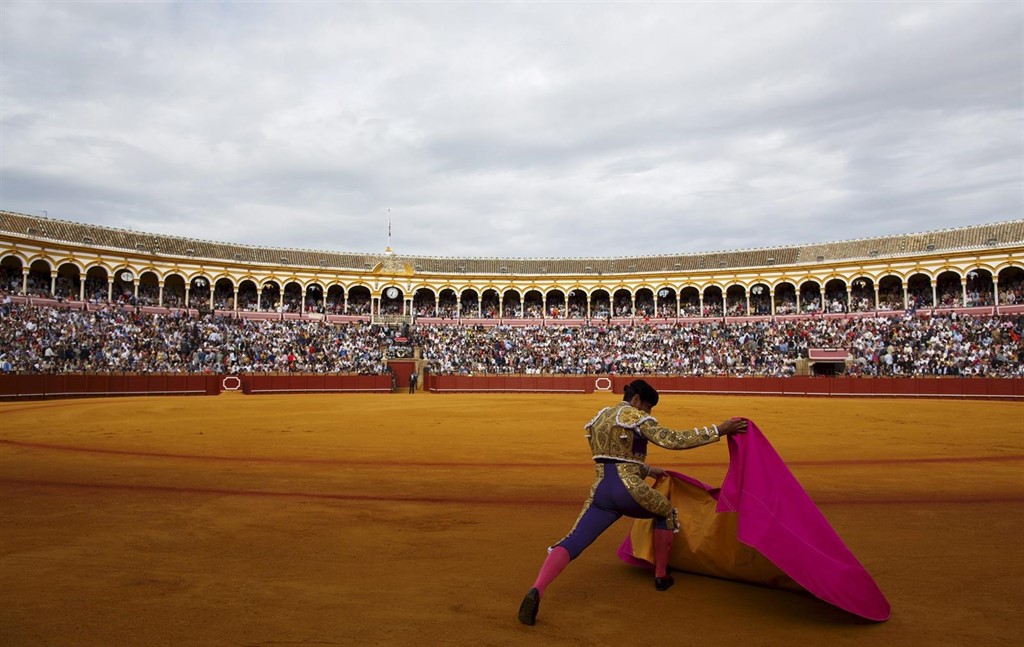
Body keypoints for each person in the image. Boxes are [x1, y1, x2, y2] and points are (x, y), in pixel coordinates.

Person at [517, 379, 747, 626]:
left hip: (601, 492)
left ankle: (537, 589)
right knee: (666, 512)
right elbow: (673, 439)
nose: (647, 413)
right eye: (647, 407)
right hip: (630, 491)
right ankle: (660, 575)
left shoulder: (599, 418)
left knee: (573, 540)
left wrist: (648, 469)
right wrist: (718, 430)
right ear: (636, 400)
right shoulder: (636, 416)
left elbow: (614, 457)